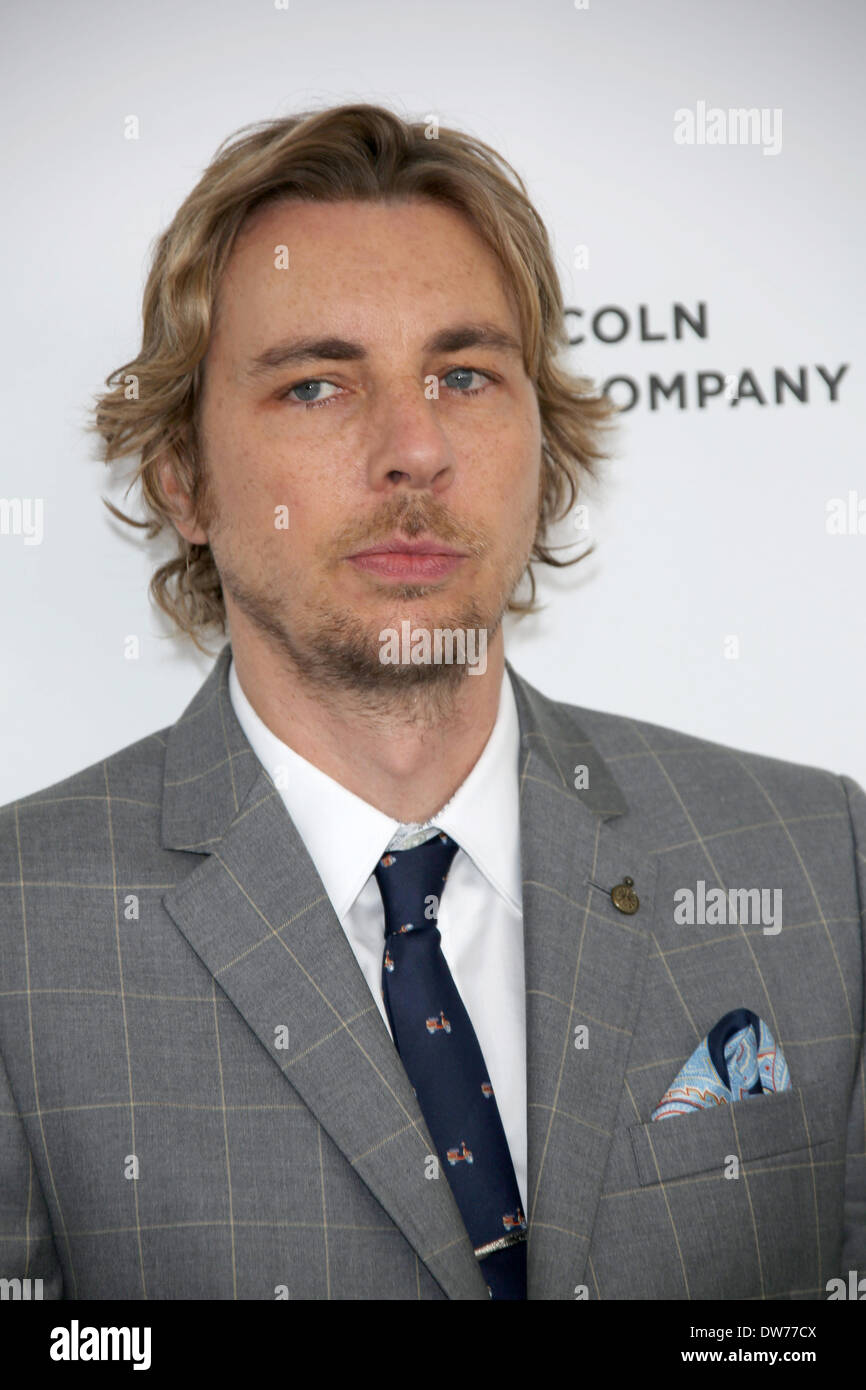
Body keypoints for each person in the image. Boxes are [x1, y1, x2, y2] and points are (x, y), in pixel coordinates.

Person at [0, 103, 863, 1301]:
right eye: (315, 385)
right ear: (183, 479)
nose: (413, 447)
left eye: (462, 376)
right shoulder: (21, 934)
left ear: (541, 446)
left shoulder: (817, 865)